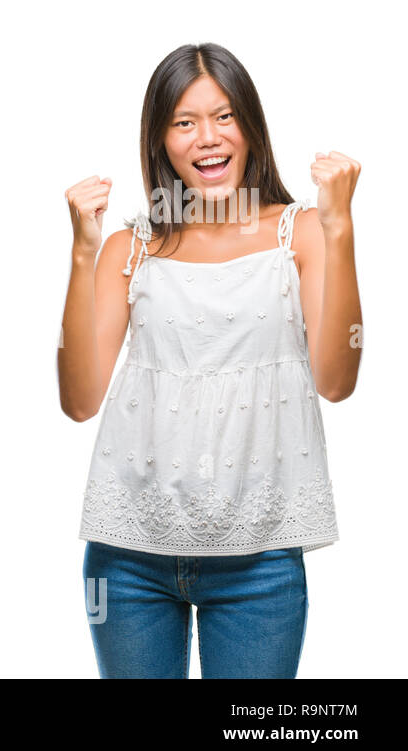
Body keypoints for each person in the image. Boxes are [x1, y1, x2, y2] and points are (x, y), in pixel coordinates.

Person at [59, 42, 362, 678]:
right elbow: (80, 399)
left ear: (250, 126)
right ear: (161, 138)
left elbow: (337, 379)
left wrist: (341, 229)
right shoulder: (131, 246)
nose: (207, 138)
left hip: (261, 558)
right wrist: (83, 254)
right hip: (128, 556)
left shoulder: (297, 232)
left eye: (223, 116)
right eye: (184, 121)